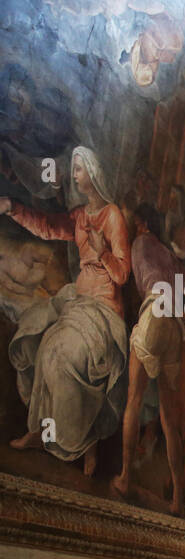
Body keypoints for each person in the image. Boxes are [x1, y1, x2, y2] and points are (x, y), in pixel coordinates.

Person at [2, 146, 130, 477]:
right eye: (72, 168)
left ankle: (85, 443)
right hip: (77, 303)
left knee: (63, 355)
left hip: (102, 311)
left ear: (93, 172)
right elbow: (47, 227)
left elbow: (122, 275)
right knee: (43, 346)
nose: (74, 174)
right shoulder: (79, 215)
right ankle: (41, 433)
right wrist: (13, 208)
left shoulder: (113, 216)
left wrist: (102, 253)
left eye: (78, 168)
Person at [111, 203, 185, 513]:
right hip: (174, 328)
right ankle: (177, 499)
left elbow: (126, 279)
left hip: (154, 313)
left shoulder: (139, 242)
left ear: (140, 221)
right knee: (169, 418)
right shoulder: (169, 256)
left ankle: (125, 478)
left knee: (134, 401)